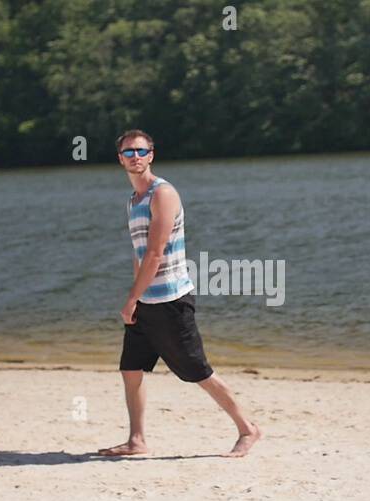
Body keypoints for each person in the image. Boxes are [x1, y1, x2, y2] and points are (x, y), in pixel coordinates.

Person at [97, 129, 262, 458]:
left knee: (197, 371)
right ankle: (137, 440)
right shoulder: (133, 201)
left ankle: (248, 428)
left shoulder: (163, 193)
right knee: (131, 369)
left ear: (151, 155)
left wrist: (131, 298)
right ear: (120, 159)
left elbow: (156, 253)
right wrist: (136, 299)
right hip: (147, 300)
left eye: (140, 151)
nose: (135, 157)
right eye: (128, 153)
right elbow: (139, 253)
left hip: (171, 300)